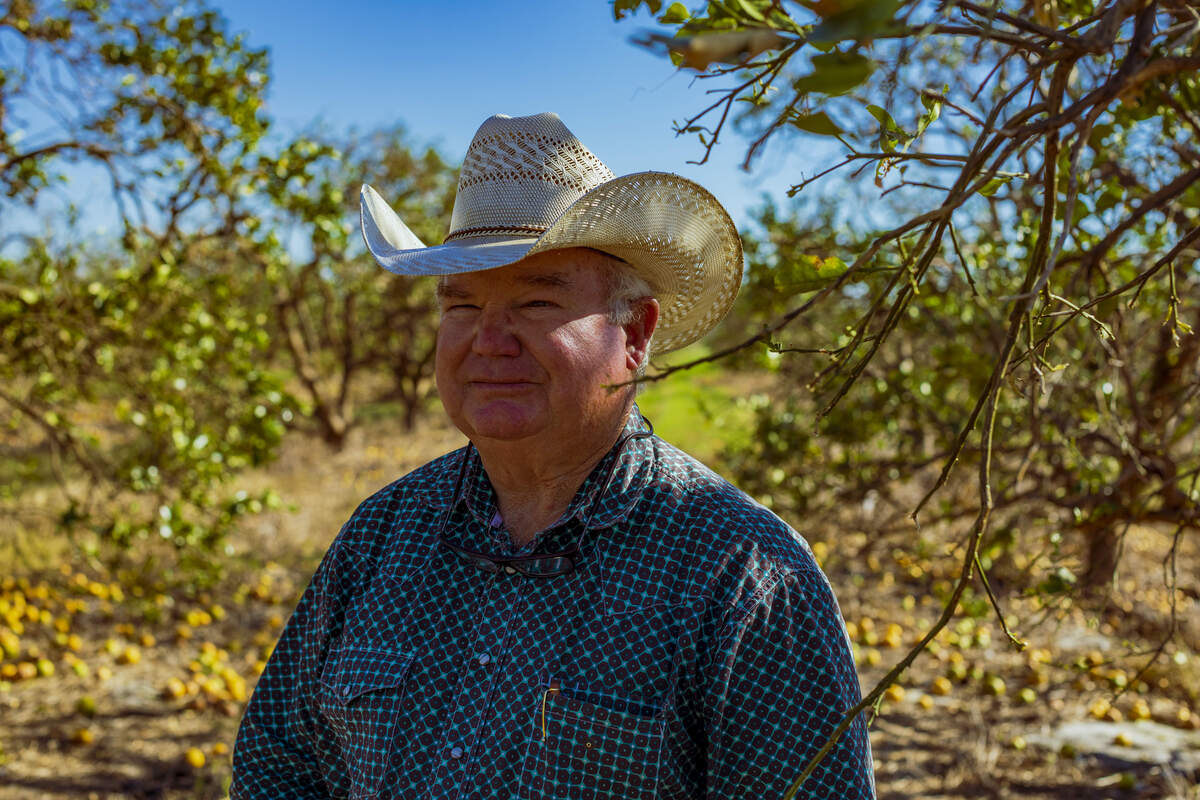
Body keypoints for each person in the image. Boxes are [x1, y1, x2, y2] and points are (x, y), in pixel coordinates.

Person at [231, 112, 874, 799]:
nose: (490, 340)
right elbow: (278, 761)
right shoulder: (383, 534)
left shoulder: (743, 577)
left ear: (636, 331)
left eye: (537, 301)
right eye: (462, 307)